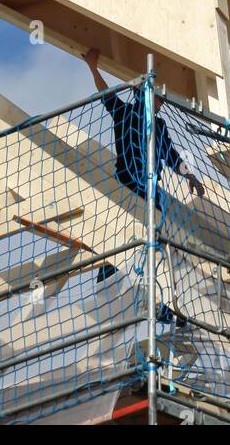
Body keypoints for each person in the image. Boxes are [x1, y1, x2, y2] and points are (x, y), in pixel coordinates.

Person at [84, 48, 204, 294]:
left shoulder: (159, 126)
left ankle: (151, 283)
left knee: (150, 232)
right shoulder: (126, 114)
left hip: (148, 188)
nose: (162, 102)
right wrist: (92, 67)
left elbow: (171, 156)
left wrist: (189, 175)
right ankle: (107, 282)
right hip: (128, 182)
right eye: (158, 97)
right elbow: (106, 95)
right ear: (144, 96)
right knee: (121, 233)